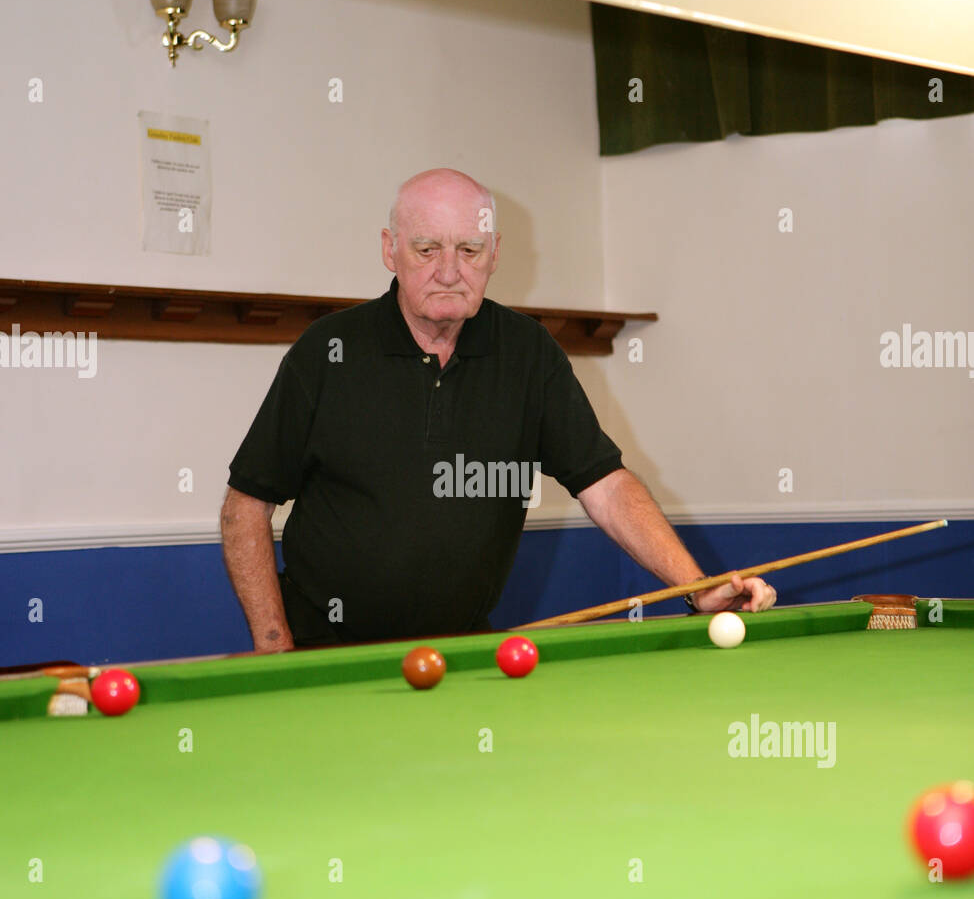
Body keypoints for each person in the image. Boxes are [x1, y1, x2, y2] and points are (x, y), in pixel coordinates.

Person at [221, 168, 775, 651]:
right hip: (326, 651)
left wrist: (696, 589)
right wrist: (275, 648)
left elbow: (605, 485)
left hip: (464, 653)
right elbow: (246, 504)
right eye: (426, 249)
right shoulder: (327, 351)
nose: (448, 271)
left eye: (468, 250)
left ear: (494, 254)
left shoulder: (529, 353)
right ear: (390, 249)